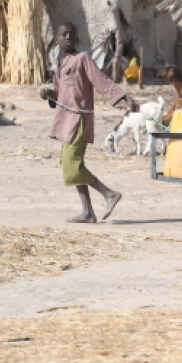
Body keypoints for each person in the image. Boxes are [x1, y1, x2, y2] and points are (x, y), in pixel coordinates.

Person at [40, 23, 139, 224]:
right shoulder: (60, 64)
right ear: (56, 40)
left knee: (72, 163)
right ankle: (87, 212)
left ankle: (109, 194)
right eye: (63, 34)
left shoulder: (83, 58)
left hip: (79, 119)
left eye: (72, 34)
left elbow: (101, 80)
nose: (68, 37)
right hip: (66, 120)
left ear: (77, 40)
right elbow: (59, 94)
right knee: (69, 162)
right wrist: (48, 93)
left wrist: (124, 98)